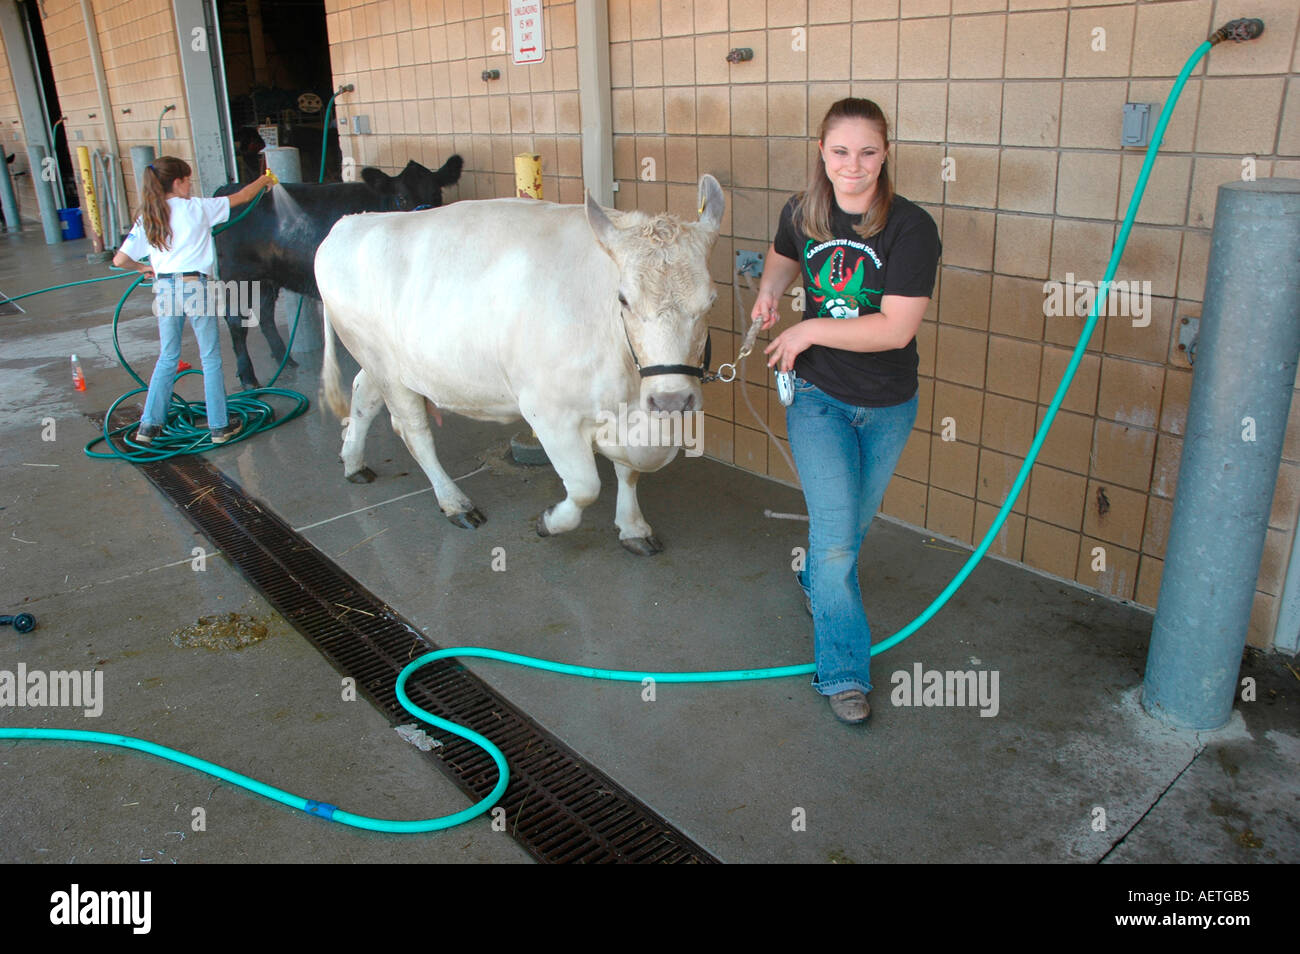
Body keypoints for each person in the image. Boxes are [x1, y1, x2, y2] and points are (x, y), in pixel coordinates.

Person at [754, 98, 942, 724]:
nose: (853, 166)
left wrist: (807, 332)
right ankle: (841, 672)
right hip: (818, 398)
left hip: (888, 405)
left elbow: (894, 329)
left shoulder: (910, 228)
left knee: (847, 535)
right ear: (822, 152)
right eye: (840, 151)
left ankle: (816, 584)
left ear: (885, 153)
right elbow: (783, 255)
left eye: (867, 152)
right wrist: (769, 294)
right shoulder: (803, 212)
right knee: (836, 546)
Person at [112, 157, 274, 445]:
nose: (190, 186)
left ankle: (148, 427)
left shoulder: (149, 215)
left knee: (168, 356)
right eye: (188, 180)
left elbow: (120, 259)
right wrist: (265, 180)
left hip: (164, 288)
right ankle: (219, 427)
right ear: (177, 182)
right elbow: (243, 197)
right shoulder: (197, 208)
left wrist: (143, 268)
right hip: (194, 286)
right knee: (210, 356)